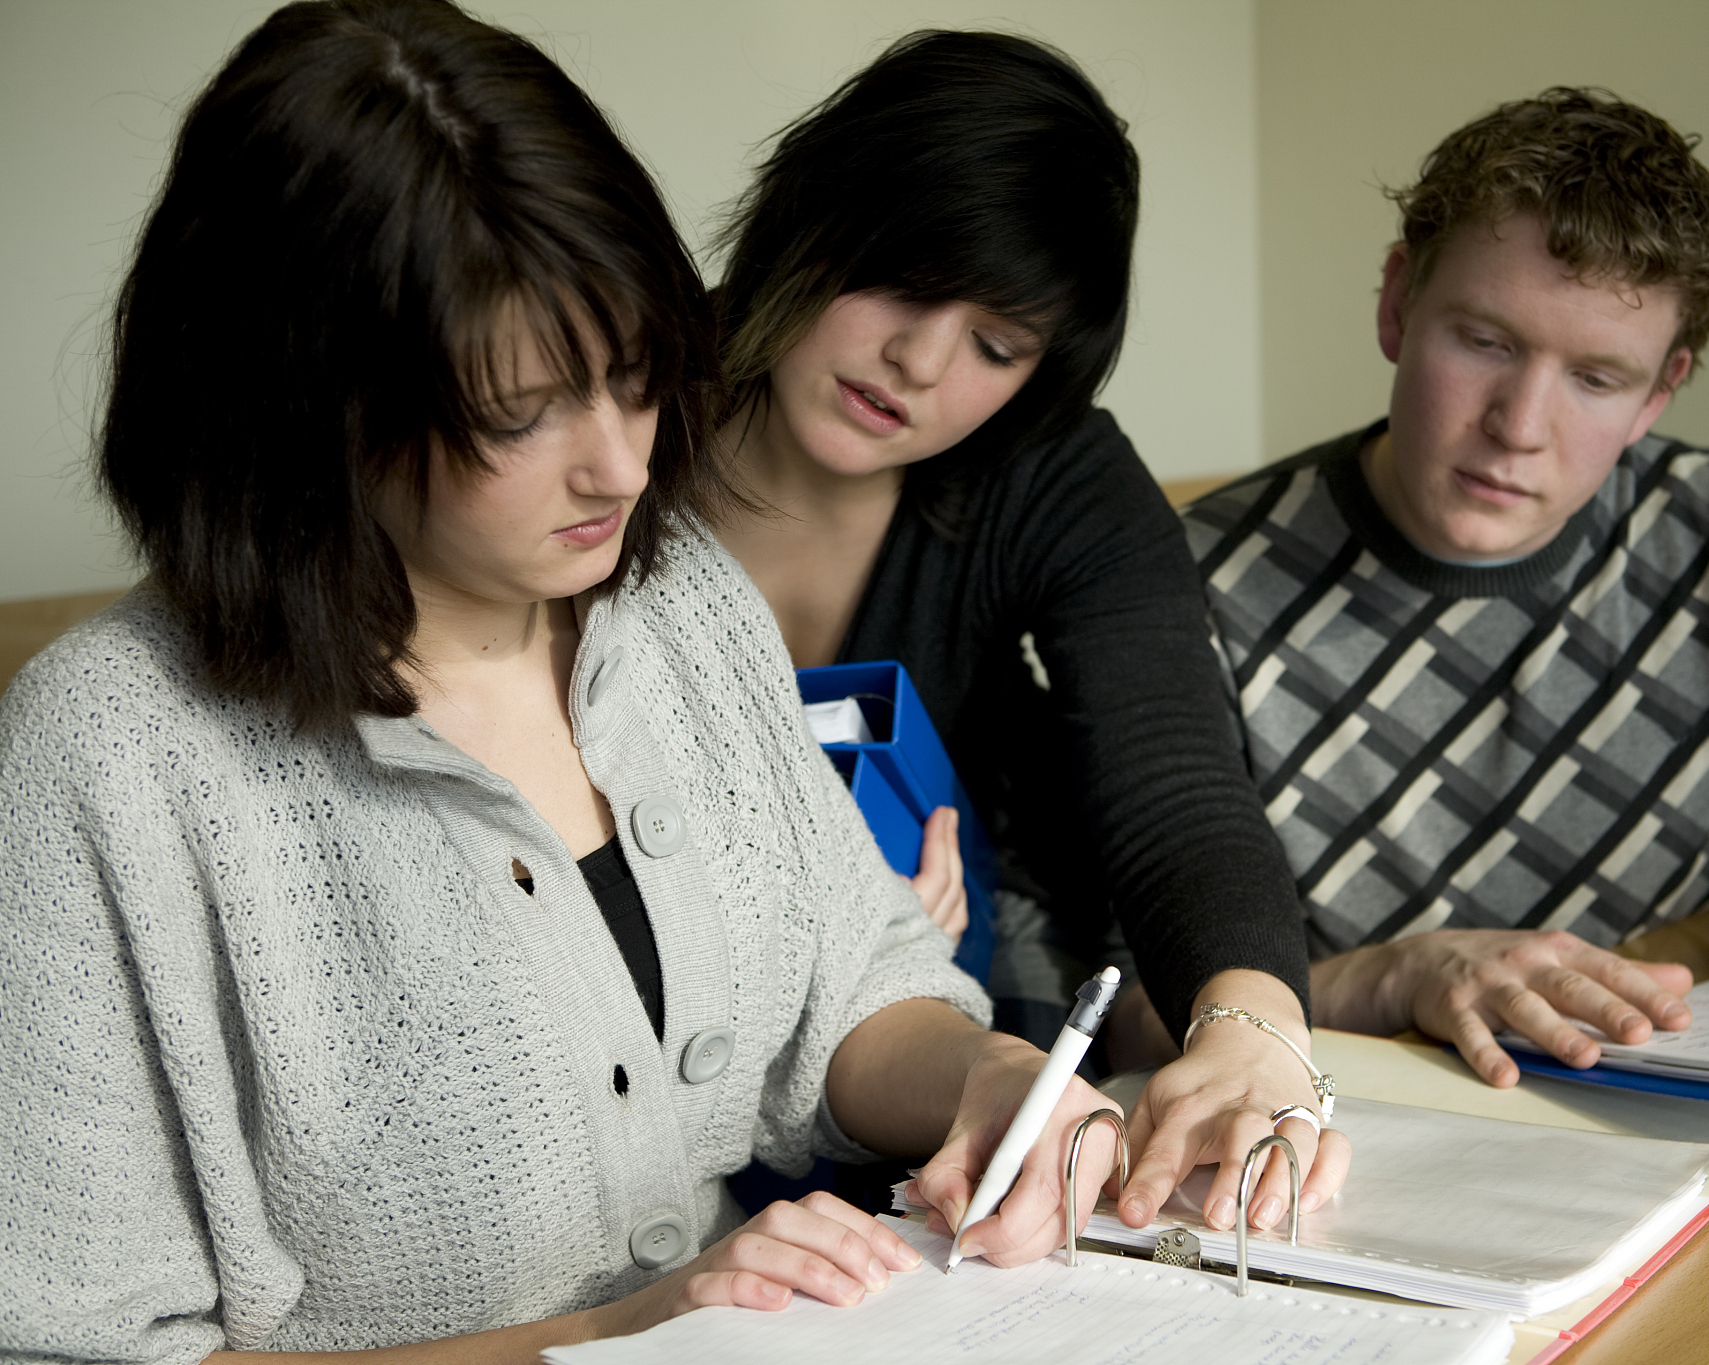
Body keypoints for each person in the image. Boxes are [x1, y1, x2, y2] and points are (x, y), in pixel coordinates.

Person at [0, 3, 1126, 1358]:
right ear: (304, 406)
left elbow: (850, 979)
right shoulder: (109, 758)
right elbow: (73, 1346)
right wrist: (617, 1330)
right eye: (516, 416)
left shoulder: (676, 606)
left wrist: (993, 1080)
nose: (625, 468)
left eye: (640, 376)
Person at [1182, 88, 1709, 1088]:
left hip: (1674, 1113)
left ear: (1657, 392)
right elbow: (1097, 1007)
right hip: (1337, 1131)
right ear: (1395, 302)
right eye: (1483, 341)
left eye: (1594, 379)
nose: (1517, 425)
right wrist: (1390, 976)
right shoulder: (1193, 584)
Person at [709, 29, 1348, 1236]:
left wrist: (1250, 1023)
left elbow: (1172, 776)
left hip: (915, 1092)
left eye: (996, 347)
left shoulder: (1043, 472)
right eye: (898, 282)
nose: (917, 360)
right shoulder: (595, 426)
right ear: (809, 215)